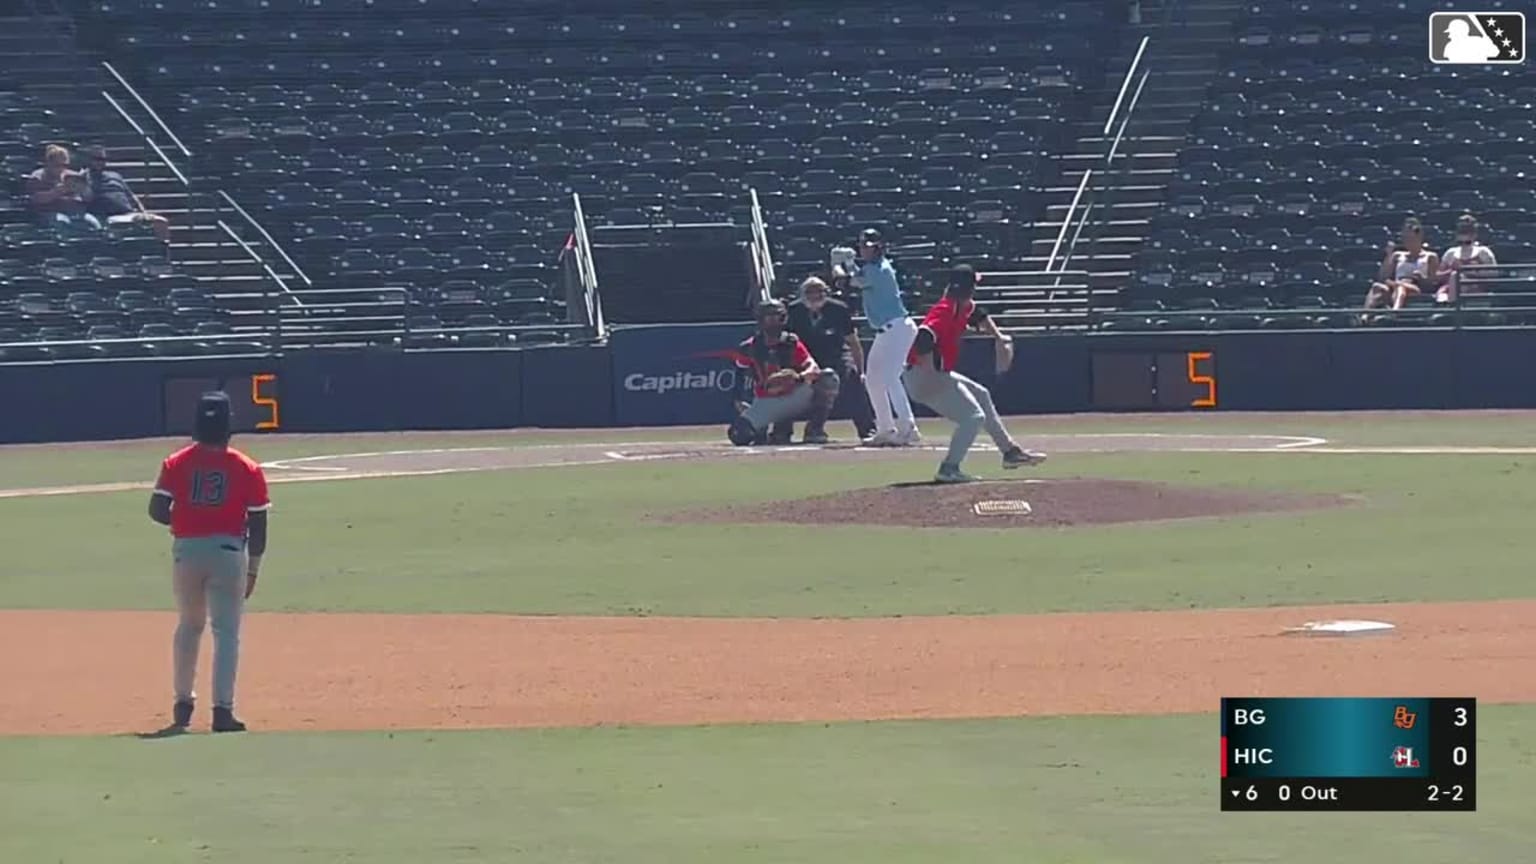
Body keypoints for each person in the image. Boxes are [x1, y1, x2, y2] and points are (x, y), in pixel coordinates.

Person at [147, 392, 271, 733]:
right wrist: (253, 569)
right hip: (228, 552)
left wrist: (185, 522)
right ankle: (222, 710)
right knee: (226, 632)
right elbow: (259, 526)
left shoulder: (176, 462)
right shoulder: (247, 467)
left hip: (186, 551)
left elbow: (156, 509)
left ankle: (182, 703)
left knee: (189, 625)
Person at [901, 264, 1047, 483]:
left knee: (982, 395)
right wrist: (930, 372)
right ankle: (949, 468)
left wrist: (999, 337)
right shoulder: (945, 310)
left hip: (931, 375)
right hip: (924, 378)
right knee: (973, 417)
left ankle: (1010, 453)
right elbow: (923, 338)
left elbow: (979, 316)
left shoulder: (961, 306)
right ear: (968, 290)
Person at [841, 228, 920, 447]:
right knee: (873, 379)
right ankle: (885, 429)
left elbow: (849, 282)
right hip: (886, 331)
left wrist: (843, 266)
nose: (864, 250)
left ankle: (908, 429)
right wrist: (849, 265)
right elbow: (856, 278)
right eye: (863, 247)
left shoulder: (879, 269)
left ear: (879, 248)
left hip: (897, 329)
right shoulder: (871, 268)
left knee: (890, 378)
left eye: (869, 247)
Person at [728, 299, 838, 446]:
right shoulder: (749, 347)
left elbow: (812, 367)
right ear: (761, 320)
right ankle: (775, 430)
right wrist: (740, 401)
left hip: (794, 394)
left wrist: (798, 377)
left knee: (828, 378)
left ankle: (815, 429)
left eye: (778, 317)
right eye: (770, 317)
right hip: (767, 399)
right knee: (739, 435)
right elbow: (740, 375)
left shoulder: (791, 342)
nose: (774, 322)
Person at [785, 276, 876, 442]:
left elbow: (853, 342)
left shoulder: (838, 309)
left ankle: (866, 429)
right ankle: (782, 431)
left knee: (851, 378)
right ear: (802, 294)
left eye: (819, 291)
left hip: (836, 356)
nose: (815, 295)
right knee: (785, 380)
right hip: (805, 358)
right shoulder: (793, 310)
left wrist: (861, 370)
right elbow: (786, 343)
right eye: (810, 292)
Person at [80, 145, 173, 243]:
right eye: (96, 159)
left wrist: (143, 212)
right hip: (106, 216)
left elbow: (132, 196)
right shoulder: (84, 178)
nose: (100, 162)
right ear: (88, 160)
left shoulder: (115, 175)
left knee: (161, 222)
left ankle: (165, 254)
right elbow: (84, 197)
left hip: (129, 213)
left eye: (103, 159)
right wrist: (83, 178)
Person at [1364, 217, 1438, 311]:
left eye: (1411, 238)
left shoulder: (1430, 256)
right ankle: (1364, 316)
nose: (1408, 242)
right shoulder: (1397, 255)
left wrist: (1421, 278)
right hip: (1395, 285)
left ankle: (1395, 311)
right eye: (1405, 238)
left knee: (1400, 287)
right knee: (1377, 287)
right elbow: (1383, 276)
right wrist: (1388, 255)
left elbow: (1432, 283)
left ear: (1419, 237)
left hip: (1415, 287)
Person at [24, 144, 100, 230]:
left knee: (93, 223)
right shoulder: (38, 177)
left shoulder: (73, 176)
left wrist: (83, 190)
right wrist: (56, 192)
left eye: (64, 165)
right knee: (62, 223)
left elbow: (88, 198)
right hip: (50, 212)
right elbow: (35, 199)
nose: (61, 168)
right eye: (57, 165)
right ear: (49, 163)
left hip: (76, 212)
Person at [1436, 213, 1497, 303]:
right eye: (1461, 231)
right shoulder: (1451, 253)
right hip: (1452, 288)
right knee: (1454, 277)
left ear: (1474, 234)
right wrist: (1451, 270)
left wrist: (1470, 271)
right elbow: (1438, 275)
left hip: (1476, 289)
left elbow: (1494, 274)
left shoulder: (1483, 252)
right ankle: (1451, 304)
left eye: (1468, 231)